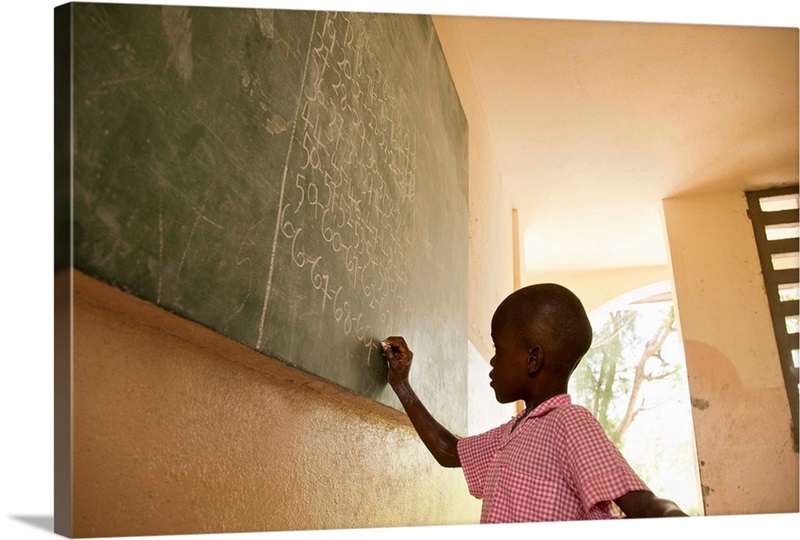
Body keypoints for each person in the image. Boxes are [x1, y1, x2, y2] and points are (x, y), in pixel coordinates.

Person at [381, 283, 687, 523]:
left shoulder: (569, 423)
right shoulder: (514, 433)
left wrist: (673, 518)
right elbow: (448, 451)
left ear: (533, 359)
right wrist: (401, 385)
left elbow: (641, 503)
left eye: (498, 350)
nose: (492, 361)